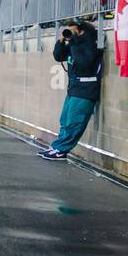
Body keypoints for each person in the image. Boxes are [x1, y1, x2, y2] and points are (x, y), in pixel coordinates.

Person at [39, 19, 101, 161]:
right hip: (74, 87)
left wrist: (73, 42)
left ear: (81, 30)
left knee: (74, 121)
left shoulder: (90, 43)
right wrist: (61, 41)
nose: (71, 34)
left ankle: (61, 149)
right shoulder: (75, 44)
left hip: (86, 89)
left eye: (74, 31)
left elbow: (84, 63)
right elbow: (58, 56)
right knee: (65, 119)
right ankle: (57, 146)